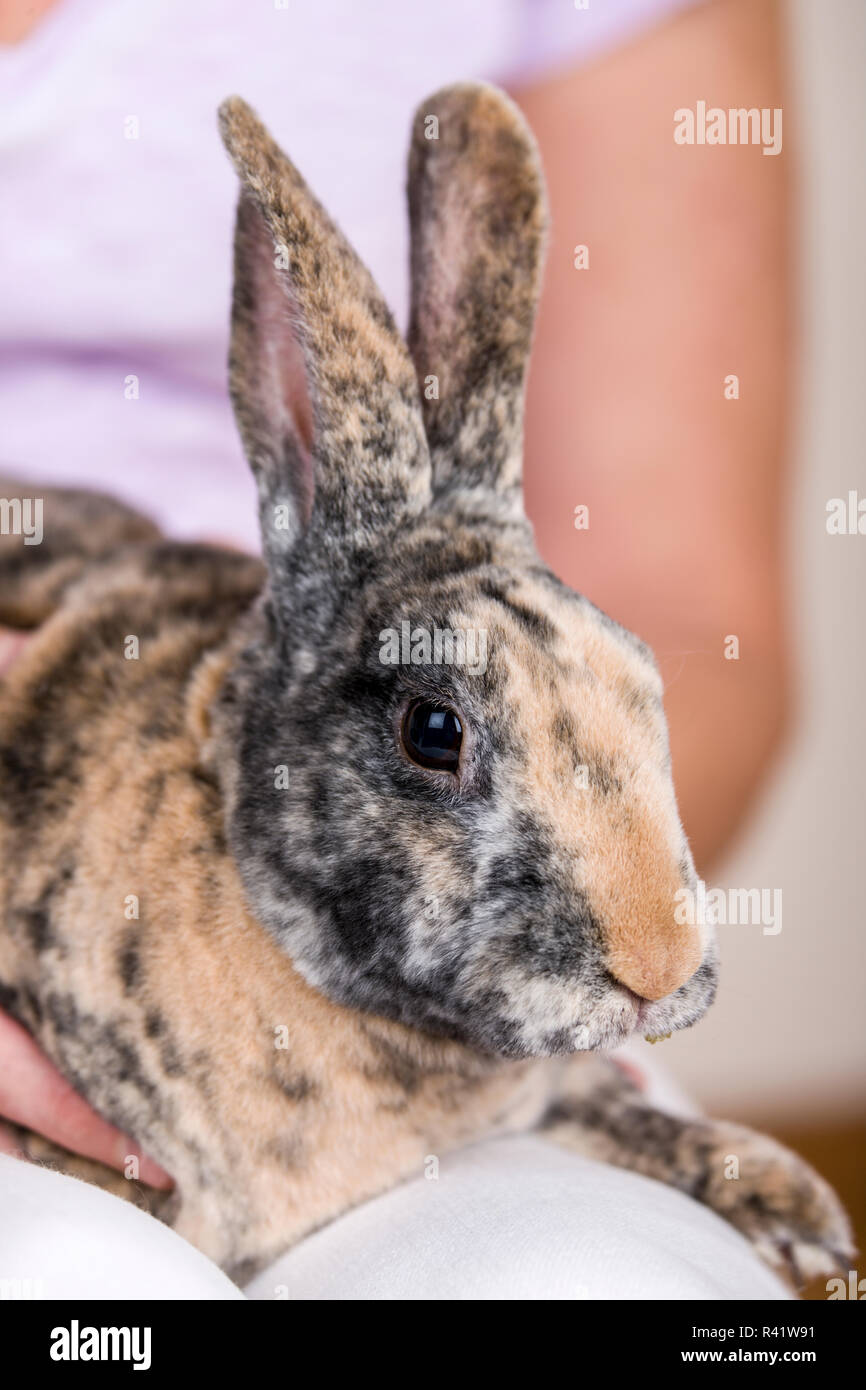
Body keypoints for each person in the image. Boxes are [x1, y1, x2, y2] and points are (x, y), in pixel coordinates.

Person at [0, 0, 790, 1295]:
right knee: (64, 1274)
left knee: (583, 1279)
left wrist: (446, 1001)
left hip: (416, 999)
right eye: (434, 734)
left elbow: (699, 612)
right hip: (86, 891)